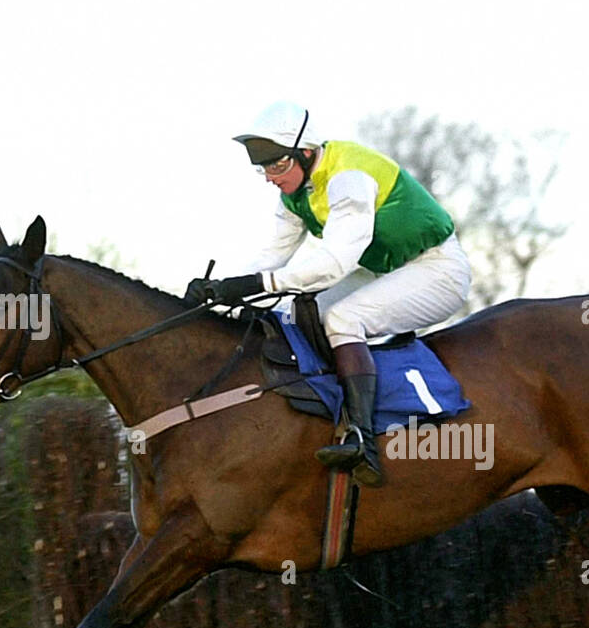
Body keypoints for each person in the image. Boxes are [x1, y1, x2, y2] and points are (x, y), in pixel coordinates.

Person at [185, 102, 471, 486]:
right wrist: (219, 291)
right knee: (296, 313)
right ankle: (322, 417)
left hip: (437, 269)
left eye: (278, 166)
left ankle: (363, 440)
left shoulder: (348, 177)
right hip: (382, 269)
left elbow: (335, 261)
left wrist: (256, 285)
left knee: (342, 319)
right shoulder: (295, 193)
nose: (271, 177)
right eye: (264, 168)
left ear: (306, 153)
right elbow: (273, 256)